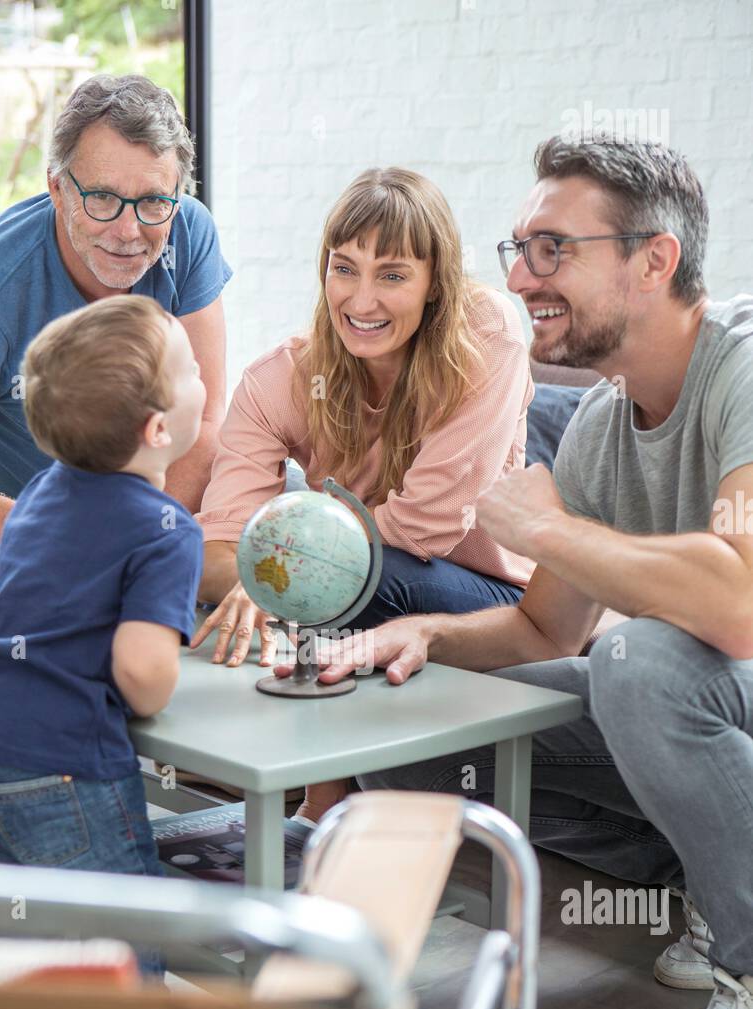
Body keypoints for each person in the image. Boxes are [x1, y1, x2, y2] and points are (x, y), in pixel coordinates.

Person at [277, 137, 753, 1009]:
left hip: (722, 677)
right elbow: (544, 625)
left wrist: (547, 527)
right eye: (515, 247)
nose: (515, 276)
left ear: (652, 260)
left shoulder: (740, 369)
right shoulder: (594, 425)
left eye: (550, 249)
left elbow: (740, 605)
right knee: (414, 747)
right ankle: (708, 873)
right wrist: (416, 635)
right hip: (718, 712)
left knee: (642, 662)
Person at [192, 166, 549, 822]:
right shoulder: (281, 379)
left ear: (434, 283)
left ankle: (318, 807)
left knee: (346, 573)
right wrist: (263, 576)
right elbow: (219, 543)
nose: (362, 299)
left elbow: (426, 526)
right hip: (364, 580)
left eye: (392, 274)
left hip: (490, 594)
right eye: (344, 268)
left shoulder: (486, 333)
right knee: (202, 596)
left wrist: (286, 565)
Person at [0, 73, 231, 546]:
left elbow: (207, 418)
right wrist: (40, 530)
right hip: (5, 551)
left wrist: (138, 539)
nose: (129, 230)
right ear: (57, 188)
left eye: (153, 201)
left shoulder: (189, 231)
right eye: (103, 198)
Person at [0, 294, 205, 877]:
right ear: (158, 428)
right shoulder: (168, 531)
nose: (202, 374)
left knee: (14, 934)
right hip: (57, 762)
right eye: (190, 371)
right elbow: (142, 673)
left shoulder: (40, 491)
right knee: (114, 936)